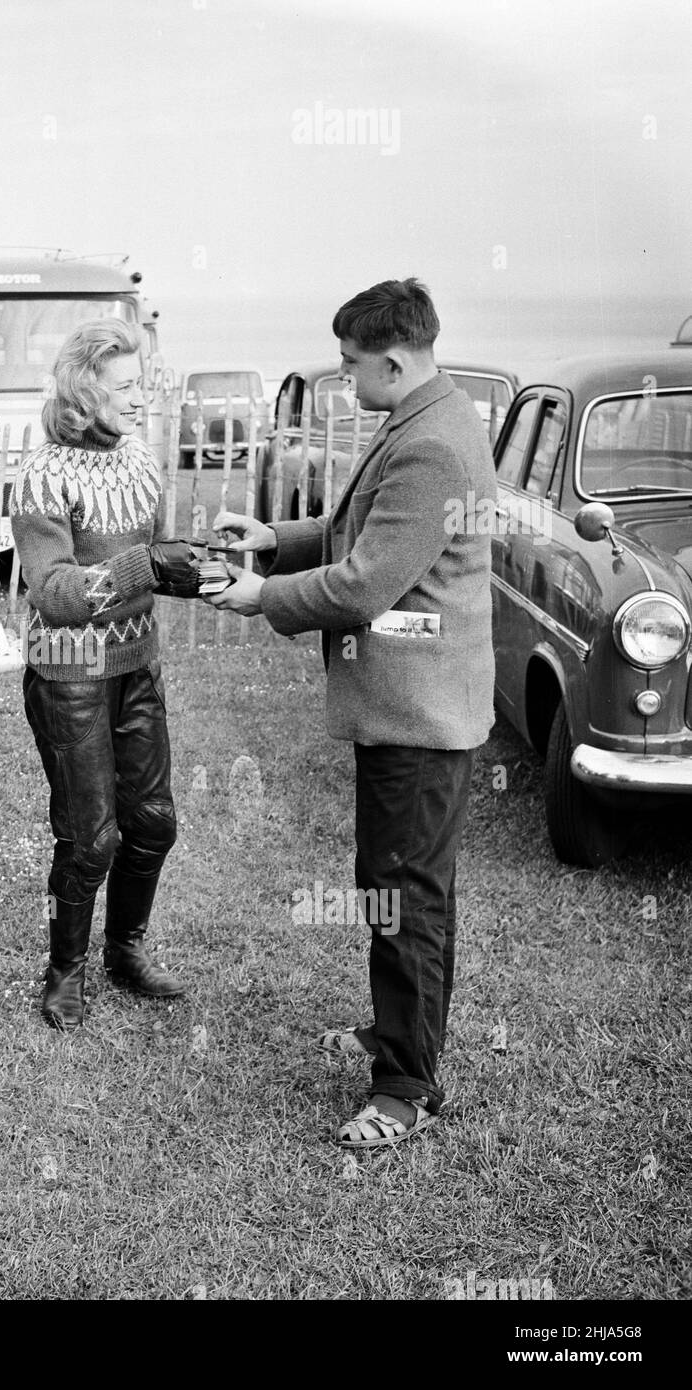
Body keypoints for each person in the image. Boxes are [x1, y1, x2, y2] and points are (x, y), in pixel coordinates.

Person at [207, 278, 496, 1148]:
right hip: (412, 708)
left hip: (418, 713)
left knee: (401, 899)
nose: (344, 376)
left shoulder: (432, 446)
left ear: (395, 361)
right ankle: (399, 1037)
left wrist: (264, 594)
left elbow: (367, 581)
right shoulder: (425, 417)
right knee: (399, 891)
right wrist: (273, 538)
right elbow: (356, 531)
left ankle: (404, 1087)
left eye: (350, 362)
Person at [10, 319, 202, 1031]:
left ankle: (125, 950)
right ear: (83, 392)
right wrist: (142, 567)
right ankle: (65, 972)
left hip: (134, 666)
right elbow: (54, 593)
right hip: (71, 676)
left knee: (153, 822)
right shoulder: (42, 475)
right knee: (91, 839)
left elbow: (154, 559)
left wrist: (193, 571)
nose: (141, 397)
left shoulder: (141, 461)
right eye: (125, 387)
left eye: (142, 382)